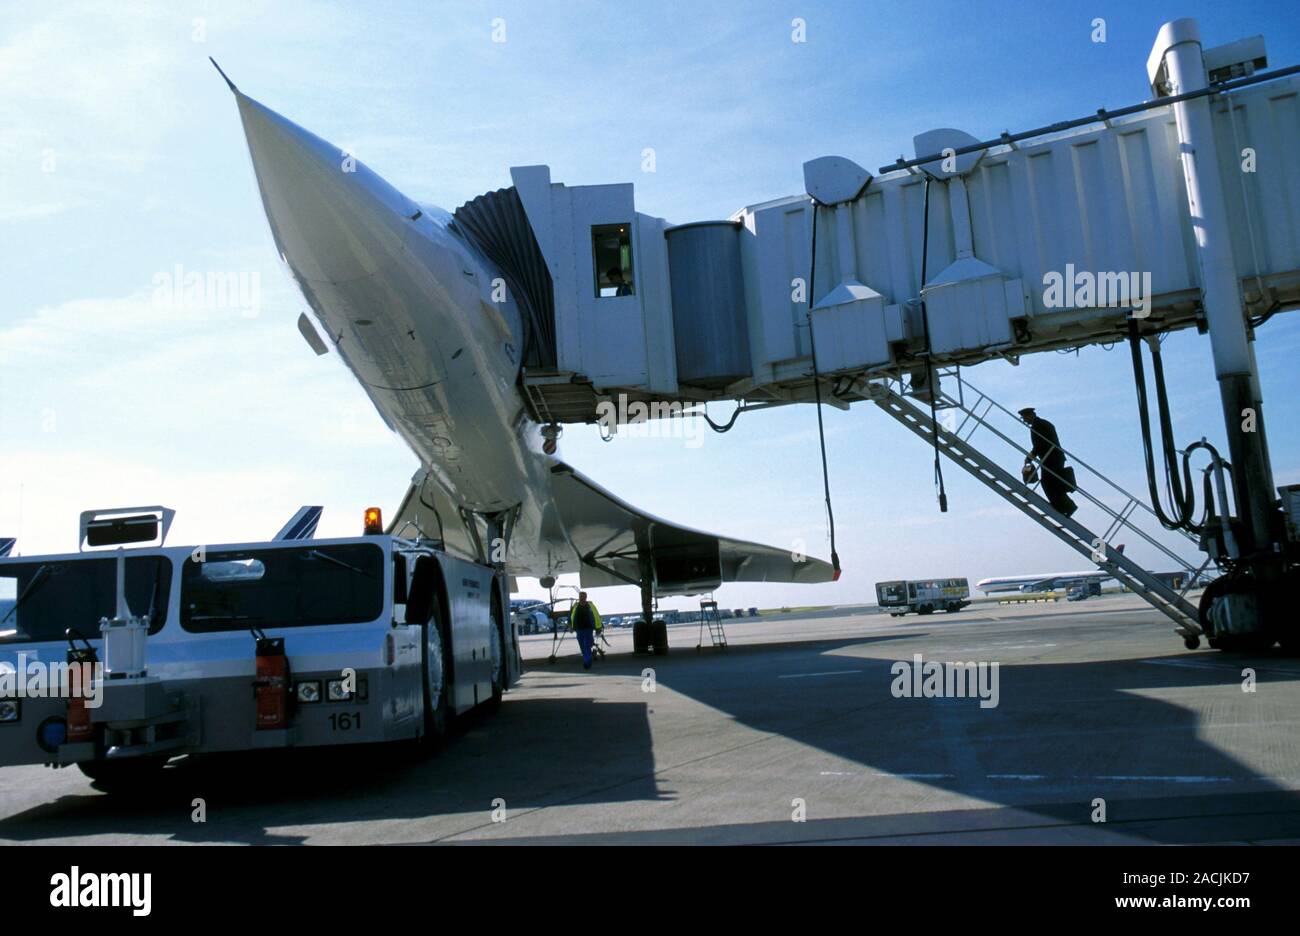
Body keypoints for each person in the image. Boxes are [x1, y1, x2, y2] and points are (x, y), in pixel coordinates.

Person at [1019, 407, 1077, 518]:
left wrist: (1030, 457)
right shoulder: (1043, 424)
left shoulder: (1038, 426)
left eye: (1024, 418)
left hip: (1051, 458)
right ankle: (1066, 506)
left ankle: (1067, 506)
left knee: (1048, 483)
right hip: (1053, 457)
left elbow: (1040, 445)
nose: (1024, 420)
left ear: (1030, 415)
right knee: (1053, 483)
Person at [569, 591, 602, 669]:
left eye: (583, 597)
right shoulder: (575, 606)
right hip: (579, 630)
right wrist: (570, 626)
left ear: (586, 597)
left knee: (586, 645)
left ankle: (586, 662)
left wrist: (598, 627)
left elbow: (596, 616)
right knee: (582, 647)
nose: (581, 598)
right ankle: (588, 657)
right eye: (580, 597)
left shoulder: (590, 606)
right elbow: (570, 616)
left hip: (588, 629)